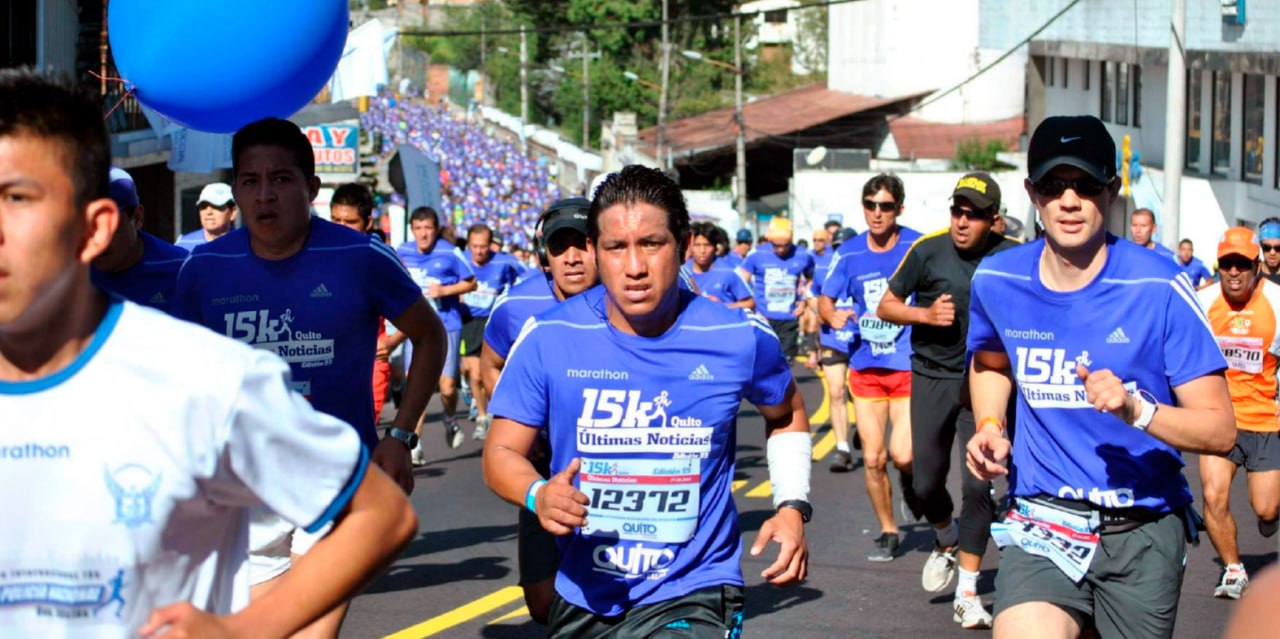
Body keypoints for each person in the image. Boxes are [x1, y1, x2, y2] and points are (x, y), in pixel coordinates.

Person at [0, 68, 416, 638]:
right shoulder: (206, 273)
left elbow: (383, 516)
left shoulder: (206, 379)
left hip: (306, 479)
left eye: (16, 198)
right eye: (251, 181)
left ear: (94, 228)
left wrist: (245, 630)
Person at [482, 165, 811, 637]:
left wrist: (791, 506)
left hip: (694, 587)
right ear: (595, 250)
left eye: (651, 244)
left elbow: (789, 413)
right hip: (585, 591)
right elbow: (500, 452)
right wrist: (537, 494)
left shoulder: (738, 337)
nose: (634, 267)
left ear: (682, 242)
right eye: (617, 247)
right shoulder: (549, 336)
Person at [173, 117, 447, 639]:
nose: (264, 195)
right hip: (244, 490)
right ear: (236, 193)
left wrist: (402, 435)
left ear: (311, 188)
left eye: (280, 179)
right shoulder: (203, 267)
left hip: (339, 482)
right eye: (250, 182)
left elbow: (430, 336)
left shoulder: (360, 257)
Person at [966, 114, 1235, 638]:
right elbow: (990, 361)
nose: (1069, 200)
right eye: (1053, 185)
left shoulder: (1160, 287)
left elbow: (1221, 430)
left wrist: (1138, 410)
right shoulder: (998, 278)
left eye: (1086, 185)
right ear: (1032, 194)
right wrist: (991, 424)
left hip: (1142, 528)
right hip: (1044, 520)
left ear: (1112, 192)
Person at [876, 171, 1017, 629]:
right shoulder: (928, 250)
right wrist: (924, 314)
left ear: (993, 221)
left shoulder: (1012, 257)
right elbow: (886, 305)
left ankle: (969, 592)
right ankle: (945, 535)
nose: (961, 221)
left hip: (986, 382)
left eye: (972, 215)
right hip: (932, 376)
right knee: (924, 485)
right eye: (957, 211)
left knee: (979, 487)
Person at [479, 197, 600, 625]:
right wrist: (522, 425)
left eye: (582, 245)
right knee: (542, 603)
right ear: (544, 256)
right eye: (558, 247)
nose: (571, 258)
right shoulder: (516, 305)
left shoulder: (629, 301)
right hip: (545, 467)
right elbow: (490, 365)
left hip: (614, 460)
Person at [821, 173, 922, 561]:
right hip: (866, 367)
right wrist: (834, 317)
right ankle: (888, 529)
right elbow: (825, 301)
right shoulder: (848, 253)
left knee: (903, 455)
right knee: (875, 458)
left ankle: (910, 484)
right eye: (870, 205)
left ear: (899, 208)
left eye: (885, 206)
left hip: (908, 366)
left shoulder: (918, 246)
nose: (876, 213)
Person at [1195, 227, 1280, 600]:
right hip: (1219, 418)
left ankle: (1270, 515)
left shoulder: (1277, 302)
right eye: (1227, 264)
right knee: (1214, 496)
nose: (1233, 272)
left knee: (1266, 508)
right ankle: (1233, 568)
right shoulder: (1202, 301)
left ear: (1256, 266)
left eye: (1241, 265)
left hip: (1266, 419)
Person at [396, 206, 477, 456]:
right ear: (412, 230)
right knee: (414, 383)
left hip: (447, 325)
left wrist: (444, 291)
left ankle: (450, 417)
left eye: (428, 229)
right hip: (416, 327)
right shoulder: (403, 251)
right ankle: (414, 443)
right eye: (418, 229)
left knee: (447, 388)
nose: (423, 235)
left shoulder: (450, 252)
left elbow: (471, 281)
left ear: (436, 229)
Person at [329, 182, 397, 424]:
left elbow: (423, 325)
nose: (341, 228)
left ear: (367, 223)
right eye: (335, 220)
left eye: (350, 222)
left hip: (370, 366)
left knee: (361, 442)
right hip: (325, 368)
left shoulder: (382, 260)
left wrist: (390, 341)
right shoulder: (312, 256)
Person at [90, 167, 188, 314]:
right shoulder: (65, 275)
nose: (97, 238)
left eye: (108, 224)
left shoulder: (182, 269)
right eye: (87, 225)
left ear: (137, 218)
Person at [460, 223, 520, 439]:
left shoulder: (503, 261)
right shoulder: (460, 259)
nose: (479, 251)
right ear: (469, 245)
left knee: (488, 371)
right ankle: (481, 410)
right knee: (472, 374)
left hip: (494, 321)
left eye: (484, 246)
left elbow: (523, 278)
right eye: (475, 246)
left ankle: (486, 416)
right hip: (468, 321)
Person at [739, 217, 816, 361]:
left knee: (784, 364)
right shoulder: (757, 255)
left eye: (785, 245)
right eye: (776, 245)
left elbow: (812, 280)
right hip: (764, 317)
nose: (780, 249)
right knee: (763, 362)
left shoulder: (803, 255)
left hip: (789, 318)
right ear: (769, 240)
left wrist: (804, 300)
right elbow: (740, 283)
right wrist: (750, 308)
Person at [687, 222, 753, 310]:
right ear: (690, 247)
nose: (702, 251)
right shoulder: (681, 271)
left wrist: (722, 307)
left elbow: (750, 302)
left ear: (715, 247)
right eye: (697, 245)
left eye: (707, 245)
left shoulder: (728, 271)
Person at [175, 182, 237, 251]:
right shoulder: (183, 244)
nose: (209, 212)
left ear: (232, 212)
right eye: (203, 206)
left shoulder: (246, 243)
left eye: (216, 206)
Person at [1257, 218, 1280, 284]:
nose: (1272, 253)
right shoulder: (1252, 273)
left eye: (1278, 248)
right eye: (1267, 247)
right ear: (1261, 246)